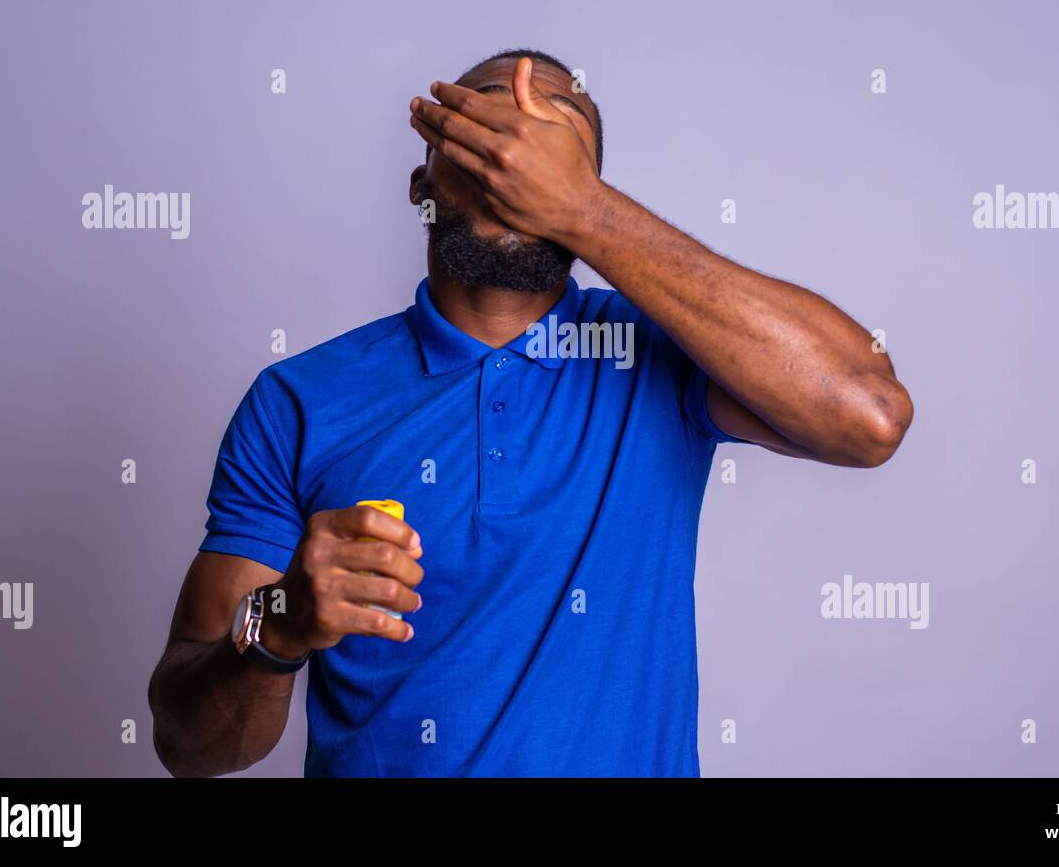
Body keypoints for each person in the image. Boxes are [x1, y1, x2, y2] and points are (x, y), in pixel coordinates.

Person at [147, 48, 914, 777]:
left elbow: (870, 414)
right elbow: (192, 748)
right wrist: (279, 623)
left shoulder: (657, 351)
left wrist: (589, 213)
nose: (514, 161)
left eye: (551, 149)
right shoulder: (297, 401)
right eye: (486, 134)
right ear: (422, 182)